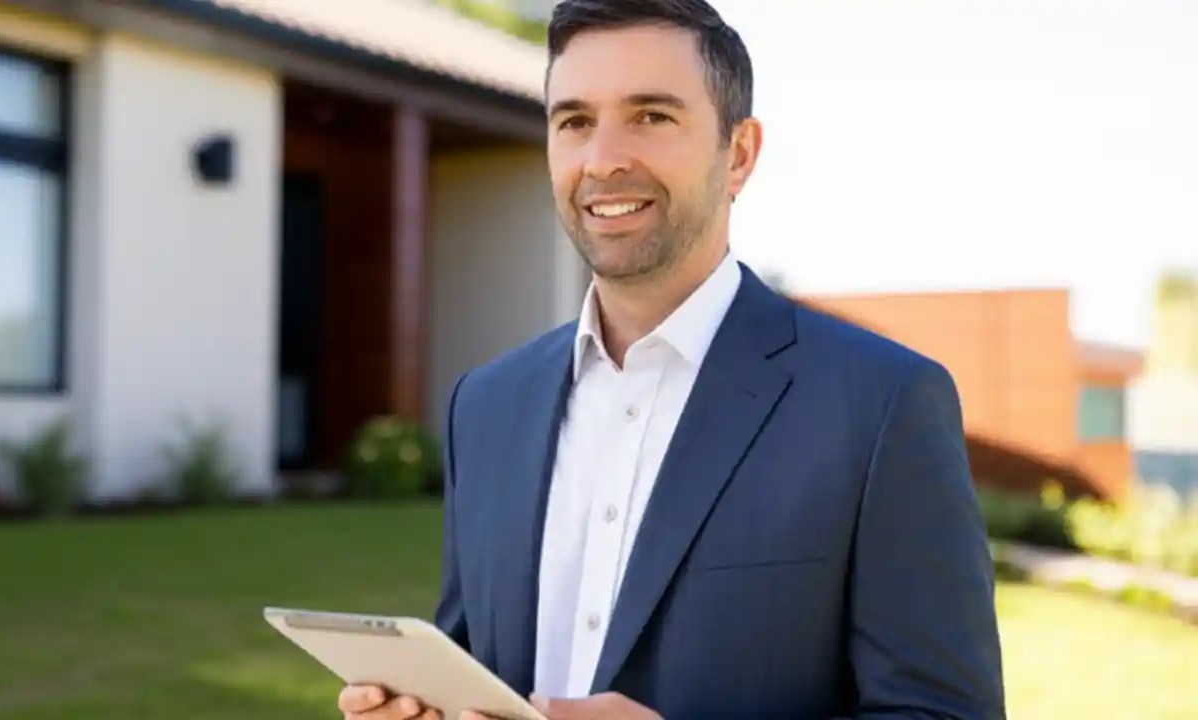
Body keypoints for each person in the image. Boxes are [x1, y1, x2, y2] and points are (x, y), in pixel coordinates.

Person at [339, 0, 1006, 718]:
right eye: (575, 122)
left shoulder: (881, 405)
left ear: (739, 154)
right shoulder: (485, 406)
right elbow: (475, 669)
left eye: (651, 116)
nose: (603, 159)